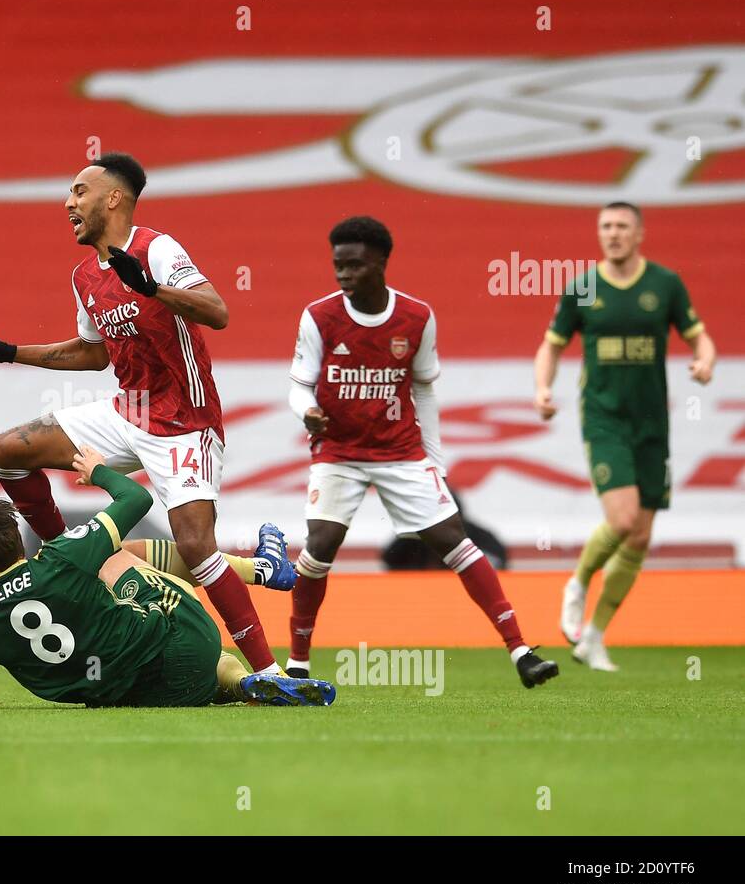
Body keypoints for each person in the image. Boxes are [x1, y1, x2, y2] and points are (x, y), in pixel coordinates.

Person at [0, 151, 290, 675]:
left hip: (185, 420)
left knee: (197, 546)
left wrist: (151, 287)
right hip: (128, 411)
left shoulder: (157, 249)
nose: (68, 203)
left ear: (114, 198)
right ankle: (64, 555)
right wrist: (9, 352)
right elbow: (94, 352)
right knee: (7, 451)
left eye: (79, 192)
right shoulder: (85, 275)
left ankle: (269, 673)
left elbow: (217, 312)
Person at [283, 216, 558, 689]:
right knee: (320, 544)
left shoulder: (417, 318)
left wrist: (434, 459)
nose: (344, 275)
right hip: (340, 452)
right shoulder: (320, 316)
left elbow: (425, 391)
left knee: (455, 539)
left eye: (354, 265)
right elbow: (299, 384)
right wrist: (306, 411)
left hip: (401, 452)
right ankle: (298, 663)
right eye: (338, 266)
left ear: (381, 262)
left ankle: (520, 651)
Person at [0, 447, 335, 709]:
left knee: (175, 663)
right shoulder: (61, 557)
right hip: (182, 642)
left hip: (125, 693)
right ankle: (258, 572)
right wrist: (97, 471)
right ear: (17, 536)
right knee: (114, 557)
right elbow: (136, 497)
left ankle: (240, 685)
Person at [533, 202, 715, 670]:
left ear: (639, 234)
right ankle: (576, 583)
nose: (612, 234)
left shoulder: (665, 284)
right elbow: (551, 345)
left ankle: (594, 636)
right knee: (622, 518)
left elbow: (699, 336)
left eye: (621, 227)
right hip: (604, 418)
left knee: (639, 537)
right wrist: (542, 388)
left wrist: (705, 360)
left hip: (653, 423)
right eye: (605, 227)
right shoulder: (583, 288)